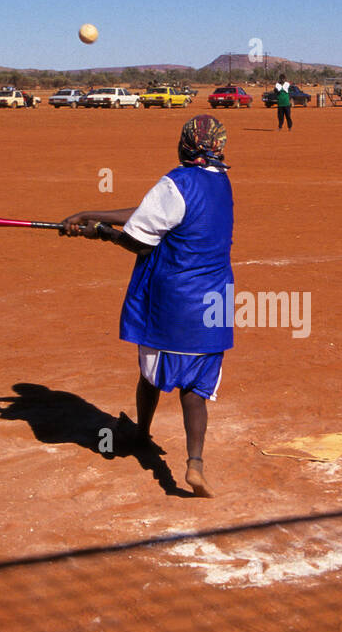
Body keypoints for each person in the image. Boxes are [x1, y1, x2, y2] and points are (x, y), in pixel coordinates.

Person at [60, 115, 235, 497]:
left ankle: (140, 433)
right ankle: (195, 464)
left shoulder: (177, 182)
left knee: (150, 372)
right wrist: (93, 214)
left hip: (176, 300)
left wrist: (102, 234)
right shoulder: (220, 181)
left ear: (184, 145)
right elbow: (149, 216)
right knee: (195, 388)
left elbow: (140, 240)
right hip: (216, 301)